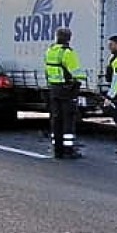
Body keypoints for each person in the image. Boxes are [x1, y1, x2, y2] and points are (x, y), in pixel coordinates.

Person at [43, 27, 84, 159]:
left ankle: (57, 149)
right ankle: (68, 149)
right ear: (68, 38)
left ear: (56, 37)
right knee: (68, 120)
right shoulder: (67, 53)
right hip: (67, 90)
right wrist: (79, 82)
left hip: (54, 89)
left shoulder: (50, 51)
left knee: (56, 119)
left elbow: (47, 70)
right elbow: (76, 73)